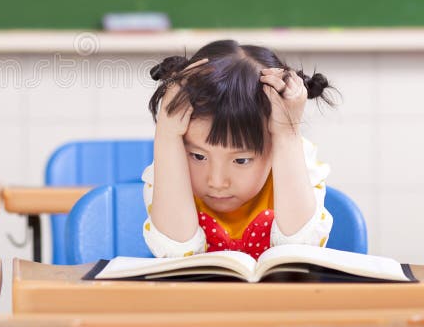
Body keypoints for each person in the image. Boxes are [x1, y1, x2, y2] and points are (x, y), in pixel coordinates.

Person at [142, 40, 334, 259]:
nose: (216, 181)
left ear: (274, 146)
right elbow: (175, 253)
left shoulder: (297, 162)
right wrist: (166, 135)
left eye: (241, 160)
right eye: (198, 156)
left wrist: (287, 133)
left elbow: (300, 248)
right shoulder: (170, 167)